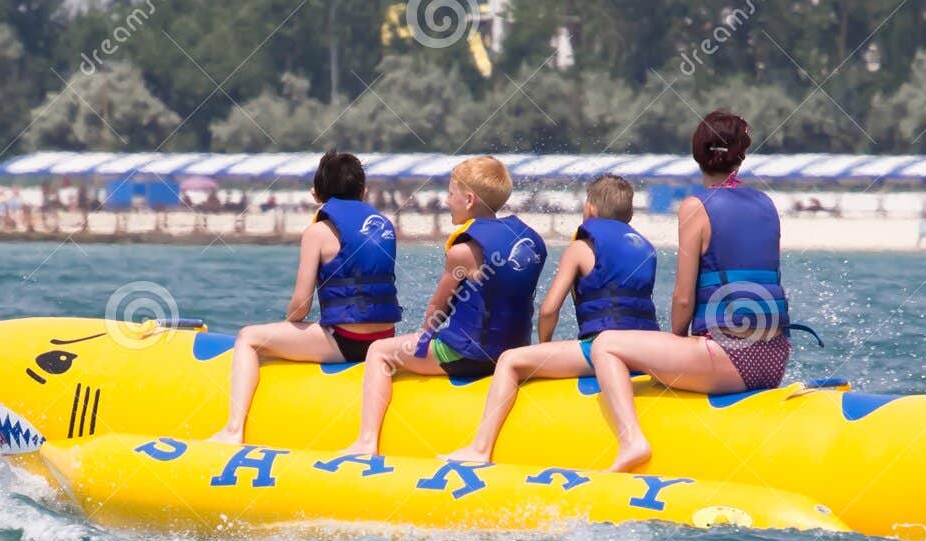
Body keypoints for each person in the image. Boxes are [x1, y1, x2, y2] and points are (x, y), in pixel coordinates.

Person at [587, 110, 800, 472]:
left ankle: (631, 441)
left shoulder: (695, 207)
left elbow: (683, 298)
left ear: (697, 153)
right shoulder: (766, 204)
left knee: (606, 343)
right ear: (740, 155)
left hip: (728, 361)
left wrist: (675, 347)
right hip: (775, 359)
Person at [443, 174, 657, 463]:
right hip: (647, 348)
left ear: (589, 208)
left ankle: (479, 449)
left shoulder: (582, 247)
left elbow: (548, 309)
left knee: (509, 360)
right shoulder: (646, 248)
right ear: (629, 213)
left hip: (604, 348)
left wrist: (544, 347)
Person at [341, 155, 545, 457]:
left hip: (466, 355)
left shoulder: (463, 252)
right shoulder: (532, 241)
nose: (447, 201)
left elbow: (437, 310)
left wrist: (422, 343)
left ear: (469, 199)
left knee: (379, 352)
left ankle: (366, 442)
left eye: (451, 193)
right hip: (510, 354)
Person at [210, 151, 400, 443]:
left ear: (316, 194)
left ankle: (233, 430)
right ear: (364, 192)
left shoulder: (317, 233)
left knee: (248, 337)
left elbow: (300, 306)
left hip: (346, 342)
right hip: (384, 338)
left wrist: (291, 325)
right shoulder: (385, 226)